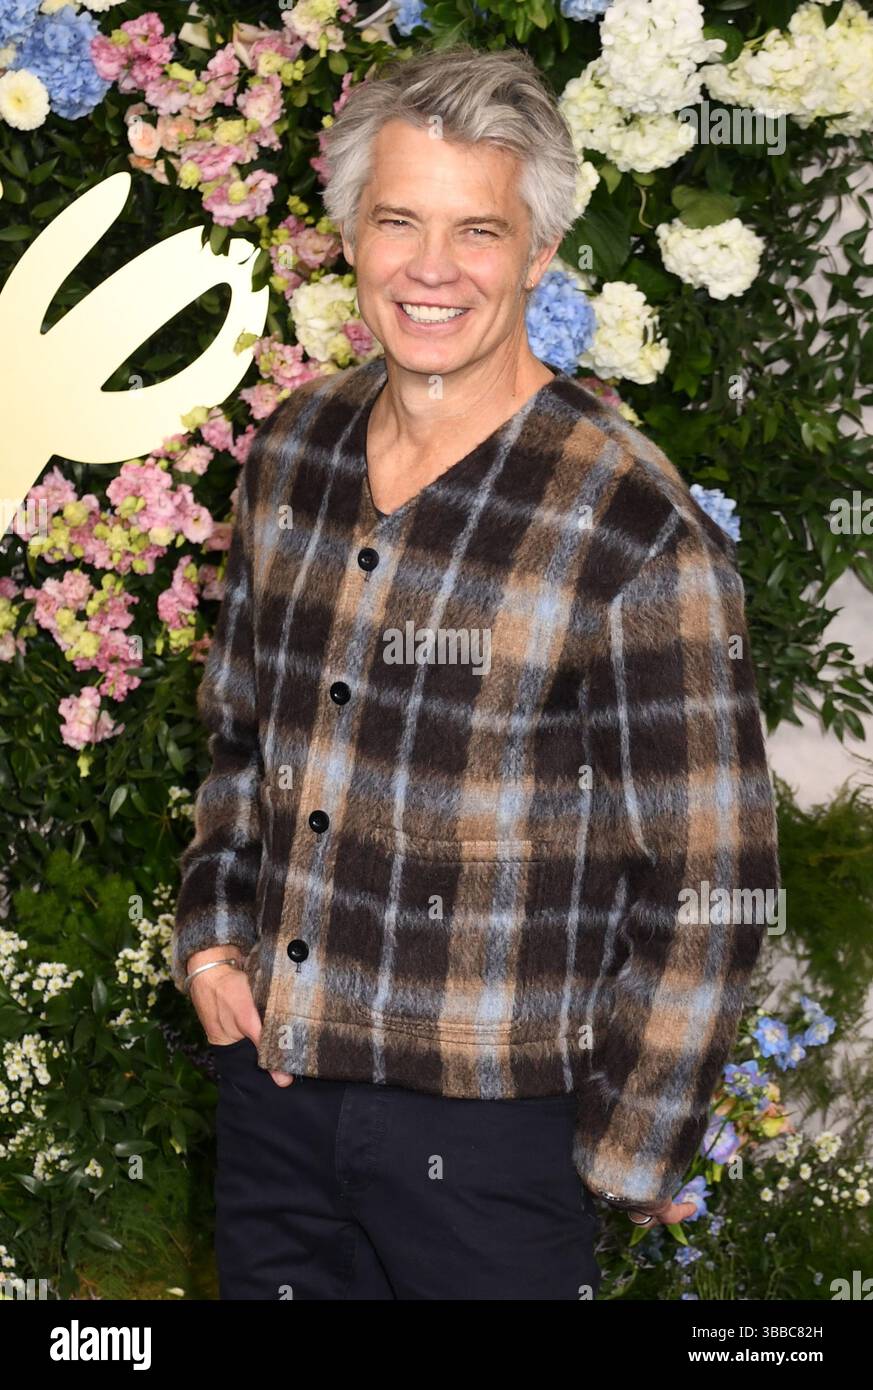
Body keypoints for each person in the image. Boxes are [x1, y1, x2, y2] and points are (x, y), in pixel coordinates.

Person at [172, 44, 780, 1301]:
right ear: (350, 232)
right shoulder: (293, 450)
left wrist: (617, 1159)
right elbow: (241, 734)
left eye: (477, 230)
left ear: (540, 252)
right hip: (278, 1096)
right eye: (398, 220)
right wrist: (214, 943)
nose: (432, 269)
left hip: (500, 1147)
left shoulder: (631, 519)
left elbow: (712, 875)